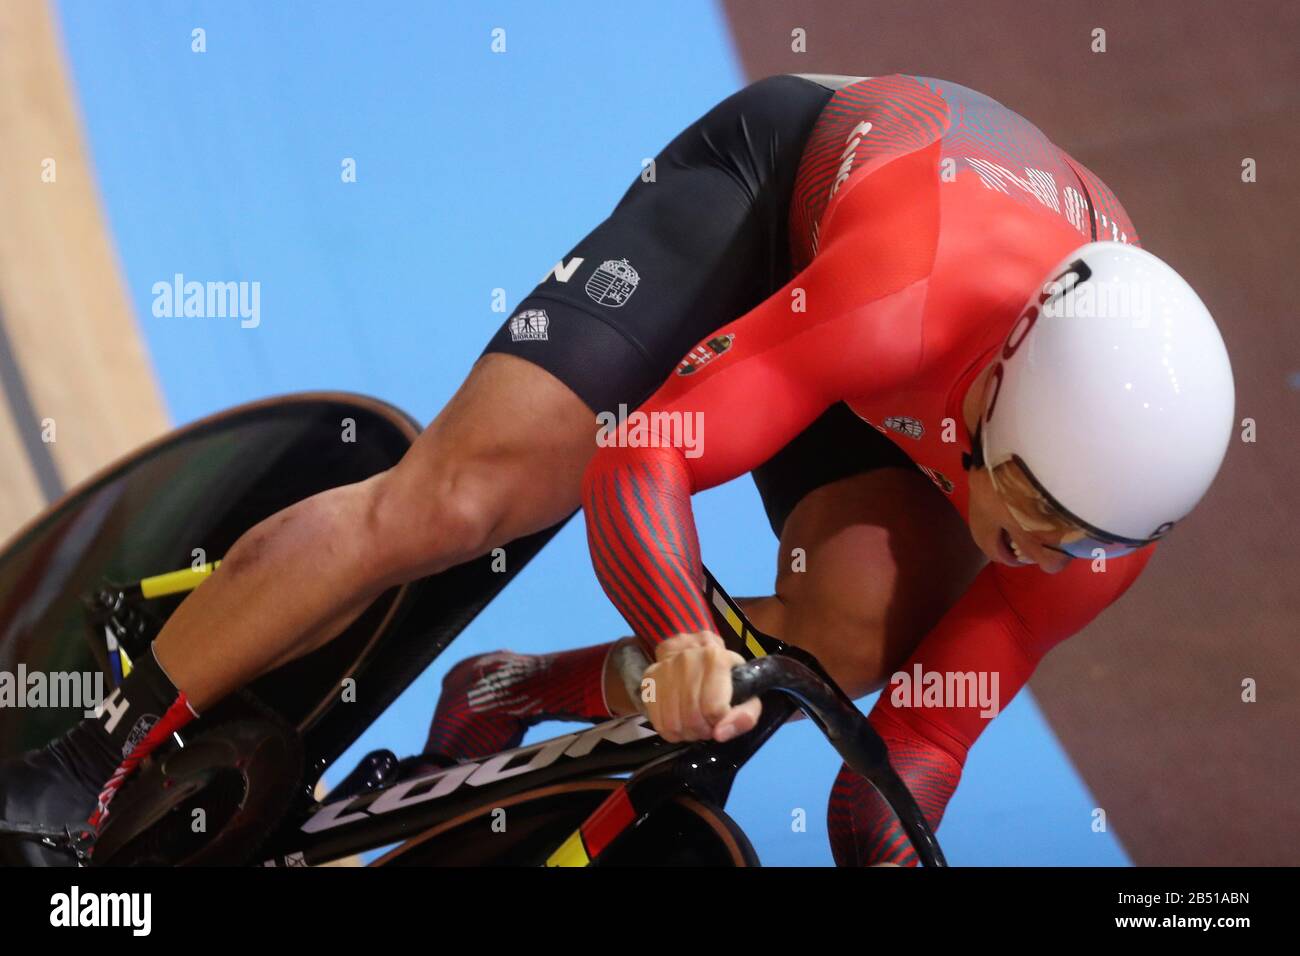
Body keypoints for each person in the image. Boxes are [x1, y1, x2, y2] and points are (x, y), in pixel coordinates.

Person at [0, 74, 1233, 867]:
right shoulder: (902, 295)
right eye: (1036, 505)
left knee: (850, 643)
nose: (1046, 550)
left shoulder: (1104, 523)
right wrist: (682, 633)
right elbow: (646, 455)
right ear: (1001, 388)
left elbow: (912, 757)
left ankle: (509, 690)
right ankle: (77, 761)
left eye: (1086, 539)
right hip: (780, 207)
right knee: (461, 498)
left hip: (909, 359)